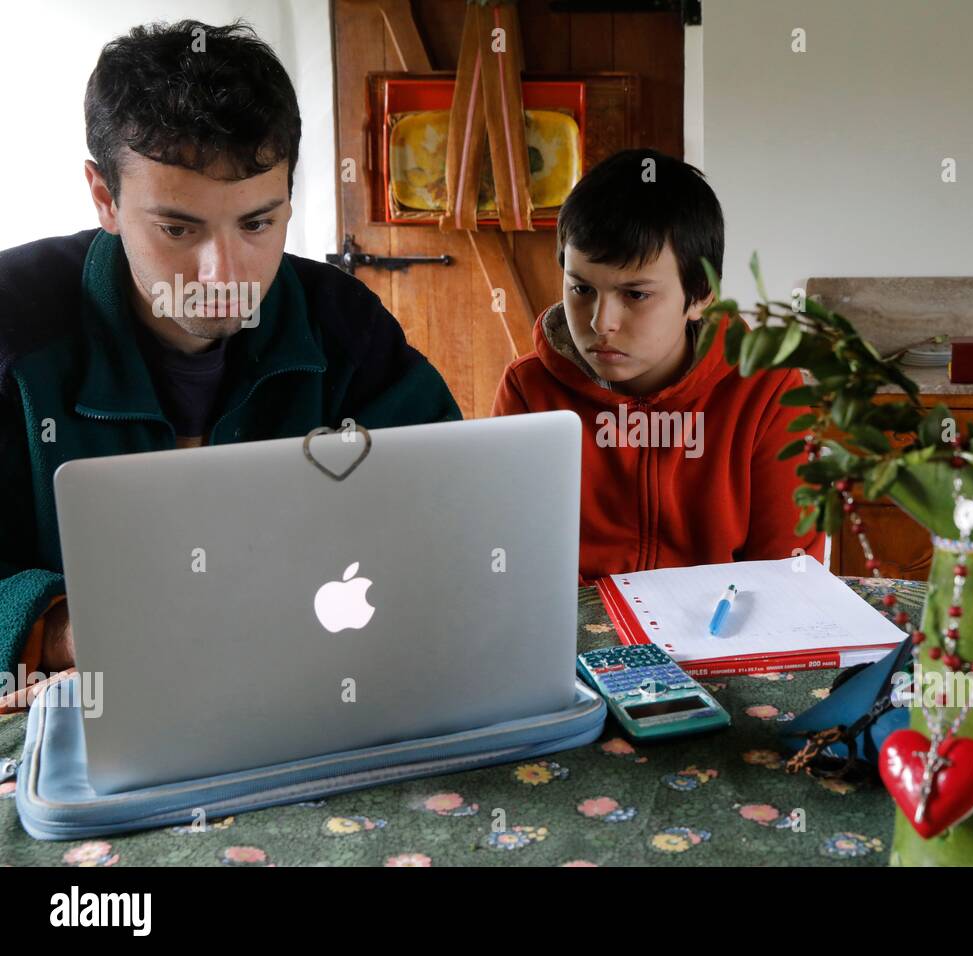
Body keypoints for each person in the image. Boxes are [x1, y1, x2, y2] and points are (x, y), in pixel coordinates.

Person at [0, 20, 460, 687]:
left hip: (317, 689)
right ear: (105, 197)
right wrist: (66, 627)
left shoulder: (345, 324)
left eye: (257, 223)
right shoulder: (13, 325)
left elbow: (448, 517)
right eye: (178, 228)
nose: (224, 276)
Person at [492, 148, 824, 582]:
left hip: (721, 642)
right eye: (582, 289)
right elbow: (508, 566)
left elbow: (789, 580)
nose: (600, 322)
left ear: (701, 293)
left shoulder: (768, 391)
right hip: (576, 641)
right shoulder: (529, 390)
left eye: (636, 295)